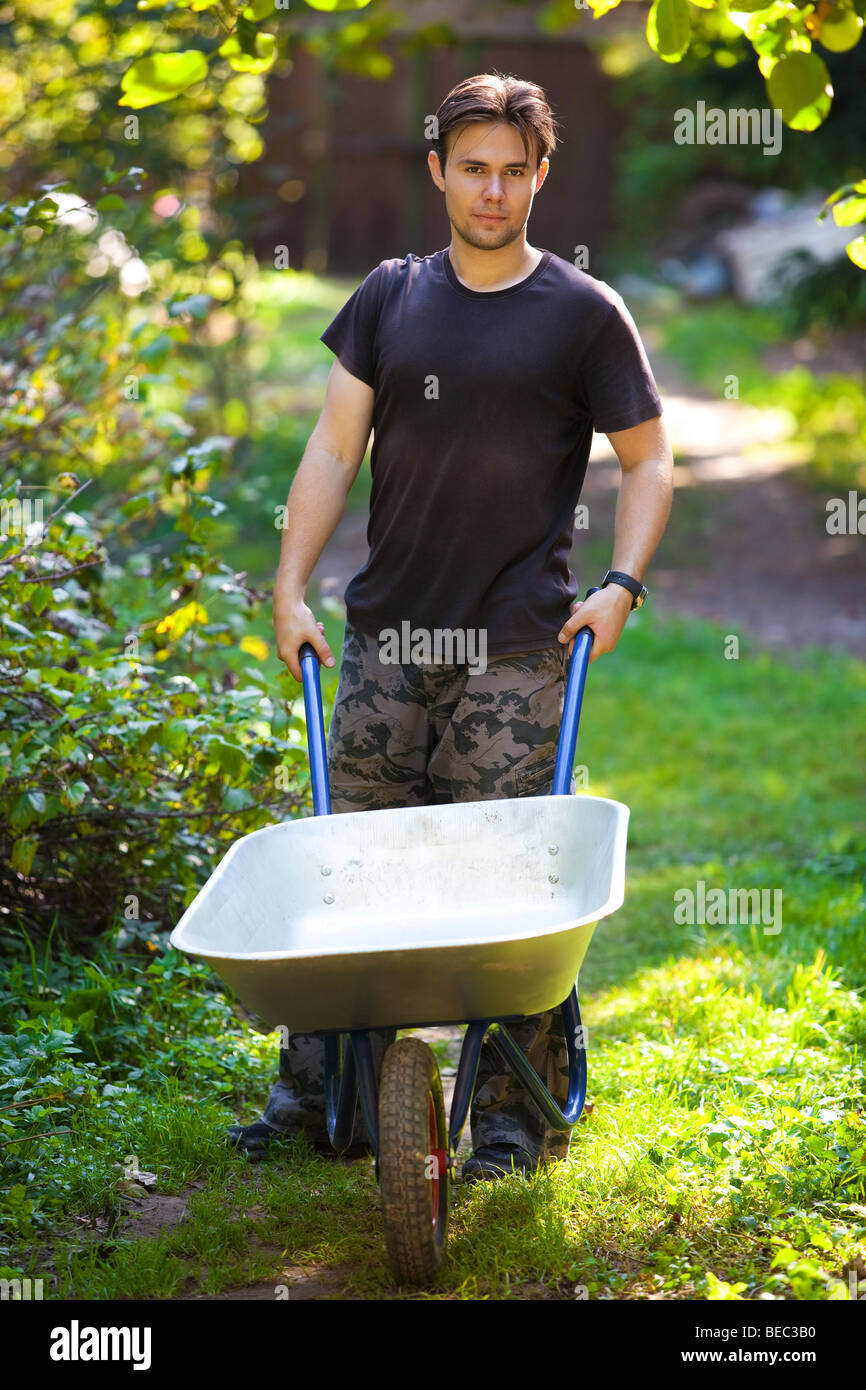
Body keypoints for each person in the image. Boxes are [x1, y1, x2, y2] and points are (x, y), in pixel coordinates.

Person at [227, 70, 674, 1180]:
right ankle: (319, 1092)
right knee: (345, 869)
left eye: (512, 171)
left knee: (508, 891)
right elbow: (332, 450)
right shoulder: (387, 297)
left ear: (539, 176)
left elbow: (649, 458)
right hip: (386, 642)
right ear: (436, 170)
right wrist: (289, 590)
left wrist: (618, 584)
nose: (491, 190)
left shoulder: (579, 312)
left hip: (515, 648)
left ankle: (513, 1118)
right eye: (471, 168)